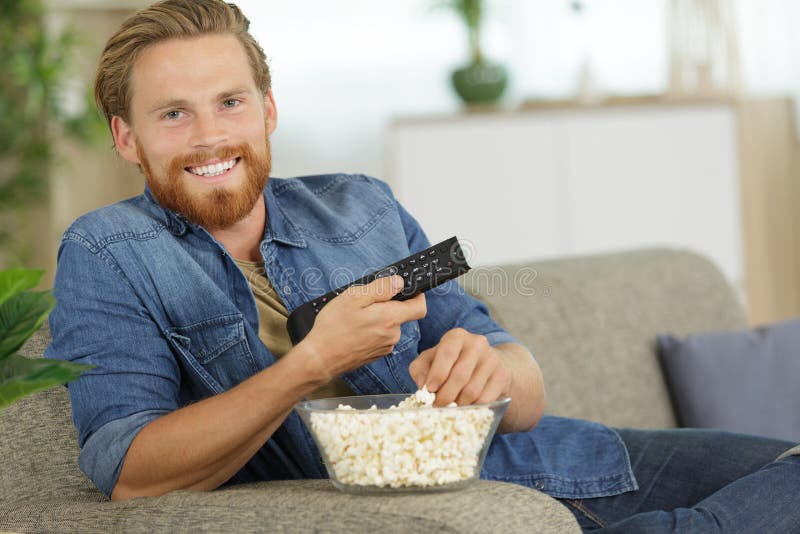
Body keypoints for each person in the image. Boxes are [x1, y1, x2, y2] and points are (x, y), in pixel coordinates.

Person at [46, 1, 799, 531]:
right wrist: (311, 364)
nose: (211, 136)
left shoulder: (362, 207)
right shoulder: (106, 253)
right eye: (173, 114)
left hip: (553, 461)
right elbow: (130, 473)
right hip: (427, 514)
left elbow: (522, 384)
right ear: (126, 137)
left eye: (230, 102)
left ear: (268, 110)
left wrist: (493, 370)